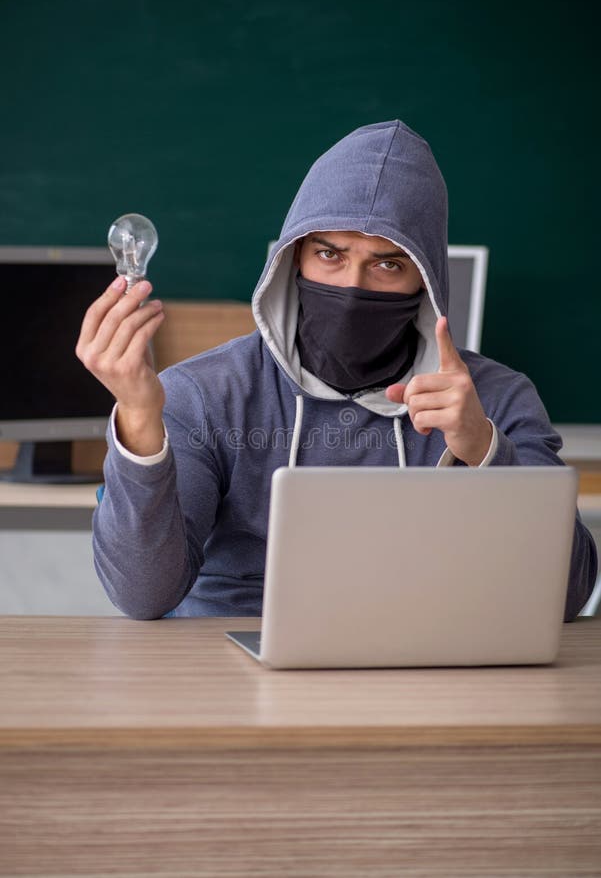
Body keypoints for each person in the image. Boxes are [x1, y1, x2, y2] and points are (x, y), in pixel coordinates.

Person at [77, 119, 597, 621]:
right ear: (293, 258)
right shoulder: (200, 395)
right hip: (226, 668)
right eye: (330, 254)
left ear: (426, 282)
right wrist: (141, 421)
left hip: (422, 670)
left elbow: (565, 597)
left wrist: (486, 453)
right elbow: (142, 596)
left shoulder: (496, 401)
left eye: (387, 264)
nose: (352, 287)